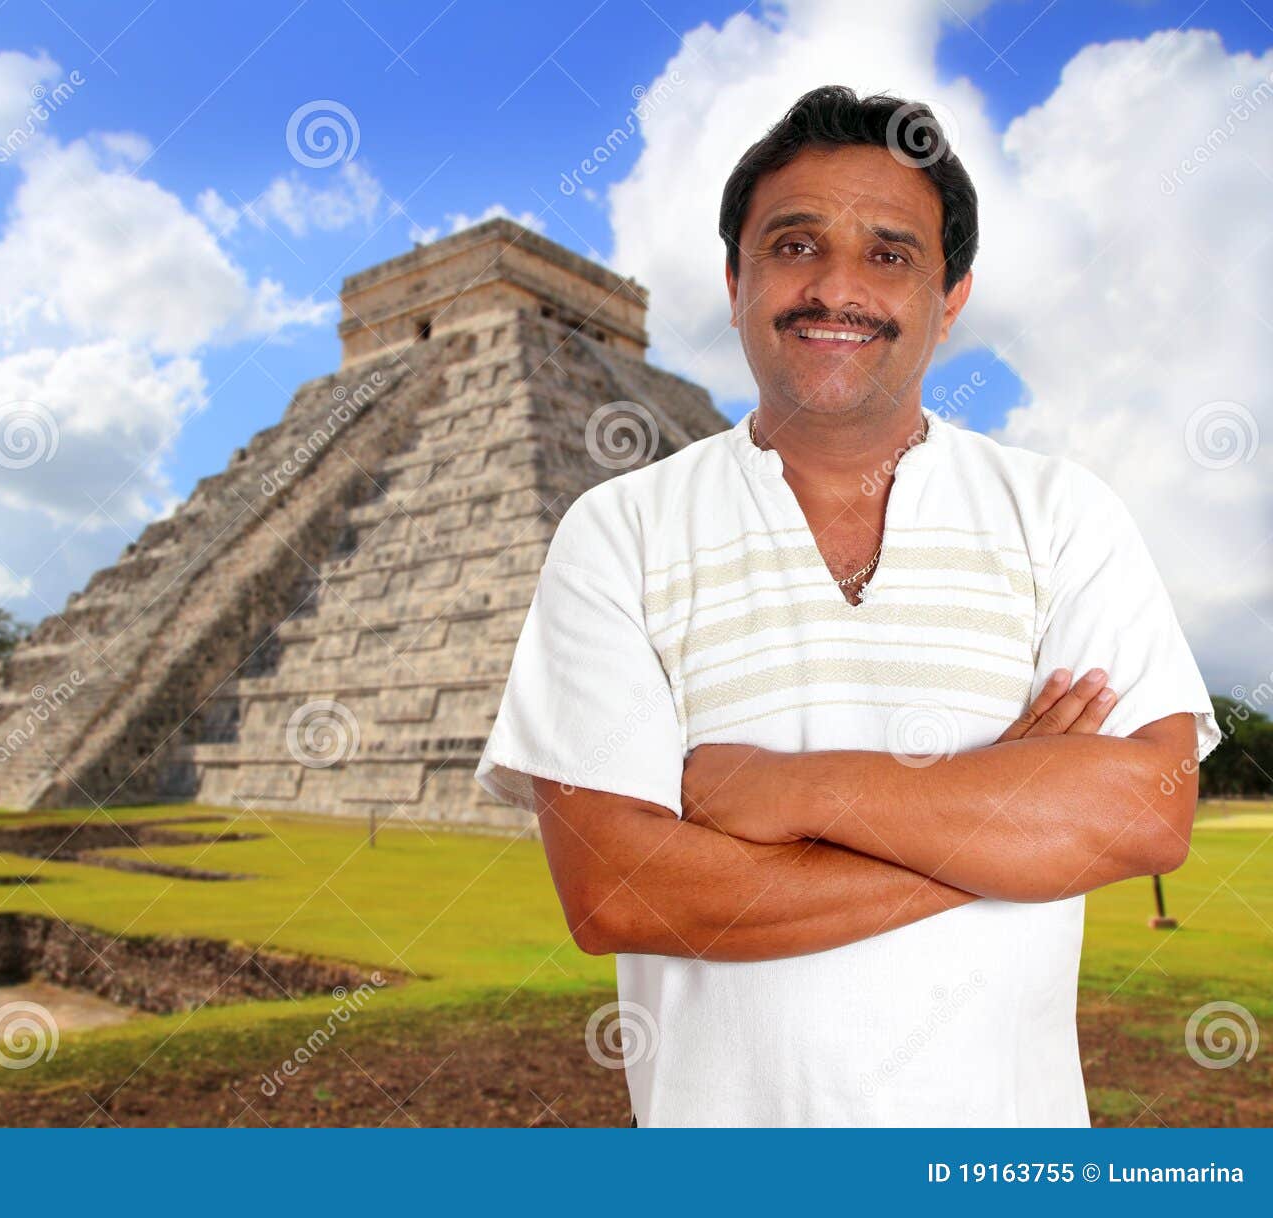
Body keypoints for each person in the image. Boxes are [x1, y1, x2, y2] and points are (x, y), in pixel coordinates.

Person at [473, 84, 1220, 1127]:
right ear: (735, 281)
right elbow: (622, 894)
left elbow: (1145, 809)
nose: (835, 287)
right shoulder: (618, 533)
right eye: (792, 245)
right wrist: (1005, 828)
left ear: (949, 297)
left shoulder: (1060, 515)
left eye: (888, 253)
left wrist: (794, 791)